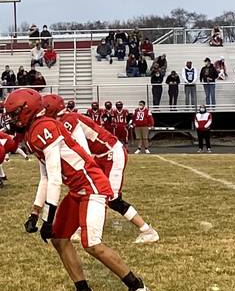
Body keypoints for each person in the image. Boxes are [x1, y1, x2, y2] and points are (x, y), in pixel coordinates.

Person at [3, 89, 152, 291]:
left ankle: (138, 288)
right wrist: (34, 212)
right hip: (77, 188)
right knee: (59, 239)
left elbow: (55, 178)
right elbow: (45, 177)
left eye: (15, 114)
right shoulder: (33, 131)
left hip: (91, 185)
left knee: (92, 244)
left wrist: (47, 218)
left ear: (27, 111)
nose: (12, 119)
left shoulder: (44, 128)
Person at [50, 98, 158, 243]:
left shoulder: (68, 120)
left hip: (111, 153)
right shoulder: (66, 119)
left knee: (112, 199)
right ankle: (83, 227)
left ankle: (147, 230)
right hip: (101, 155)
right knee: (90, 191)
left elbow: (82, 148)